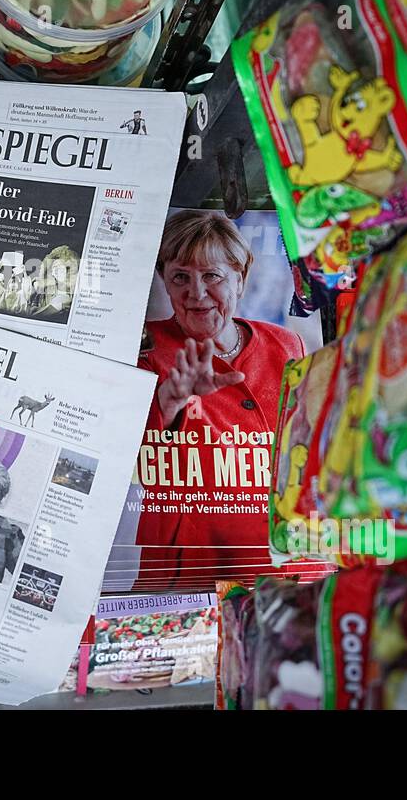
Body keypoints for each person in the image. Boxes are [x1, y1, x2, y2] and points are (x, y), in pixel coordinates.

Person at [135, 211, 304, 587]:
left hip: (290, 565)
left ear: (240, 280)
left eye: (212, 276)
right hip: (194, 575)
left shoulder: (286, 344)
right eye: (180, 277)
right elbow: (116, 449)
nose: (196, 294)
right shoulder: (143, 349)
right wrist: (167, 405)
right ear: (164, 281)